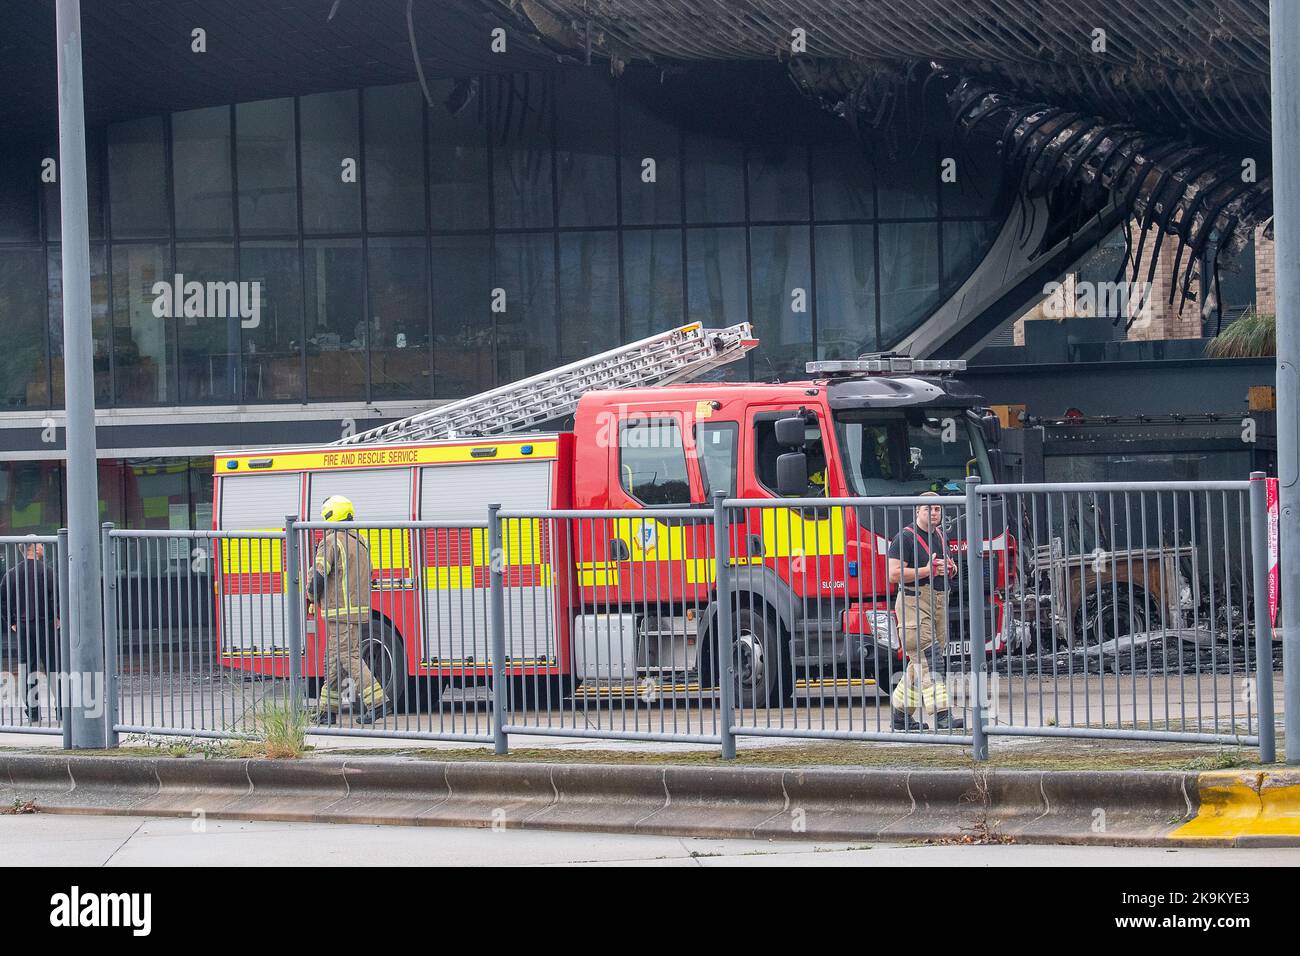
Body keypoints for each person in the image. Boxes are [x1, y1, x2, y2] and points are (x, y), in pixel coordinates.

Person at [885, 494, 964, 731]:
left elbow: (944, 564)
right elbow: (893, 574)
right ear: (917, 511)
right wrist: (926, 570)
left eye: (938, 509)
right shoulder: (905, 538)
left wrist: (951, 568)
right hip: (913, 605)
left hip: (937, 603)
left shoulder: (940, 535)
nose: (934, 513)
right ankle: (941, 715)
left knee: (918, 665)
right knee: (931, 661)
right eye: (928, 509)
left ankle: (900, 716)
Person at [305, 496, 385, 725]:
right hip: (354, 611)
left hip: (338, 611)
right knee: (333, 660)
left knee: (347, 657)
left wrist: (310, 595)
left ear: (330, 515)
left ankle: (377, 702)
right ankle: (326, 712)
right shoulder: (359, 540)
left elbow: (319, 576)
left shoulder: (331, 541)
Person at [1, 541, 59, 724]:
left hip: (24, 627)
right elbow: (56, 596)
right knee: (53, 667)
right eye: (40, 544)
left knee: (27, 668)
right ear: (33, 547)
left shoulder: (11, 574)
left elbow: (3, 601)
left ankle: (33, 712)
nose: (43, 547)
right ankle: (61, 710)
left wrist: (12, 622)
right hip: (47, 625)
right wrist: (58, 616)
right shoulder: (48, 572)